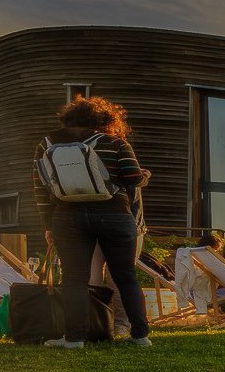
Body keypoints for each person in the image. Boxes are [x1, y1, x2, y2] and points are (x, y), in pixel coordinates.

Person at [33, 96, 151, 349]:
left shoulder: (46, 144)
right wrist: (144, 176)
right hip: (114, 215)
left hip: (68, 216)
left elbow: (40, 187)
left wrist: (48, 224)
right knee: (125, 276)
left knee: (74, 278)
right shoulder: (114, 143)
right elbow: (132, 178)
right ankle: (140, 335)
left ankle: (74, 338)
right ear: (105, 120)